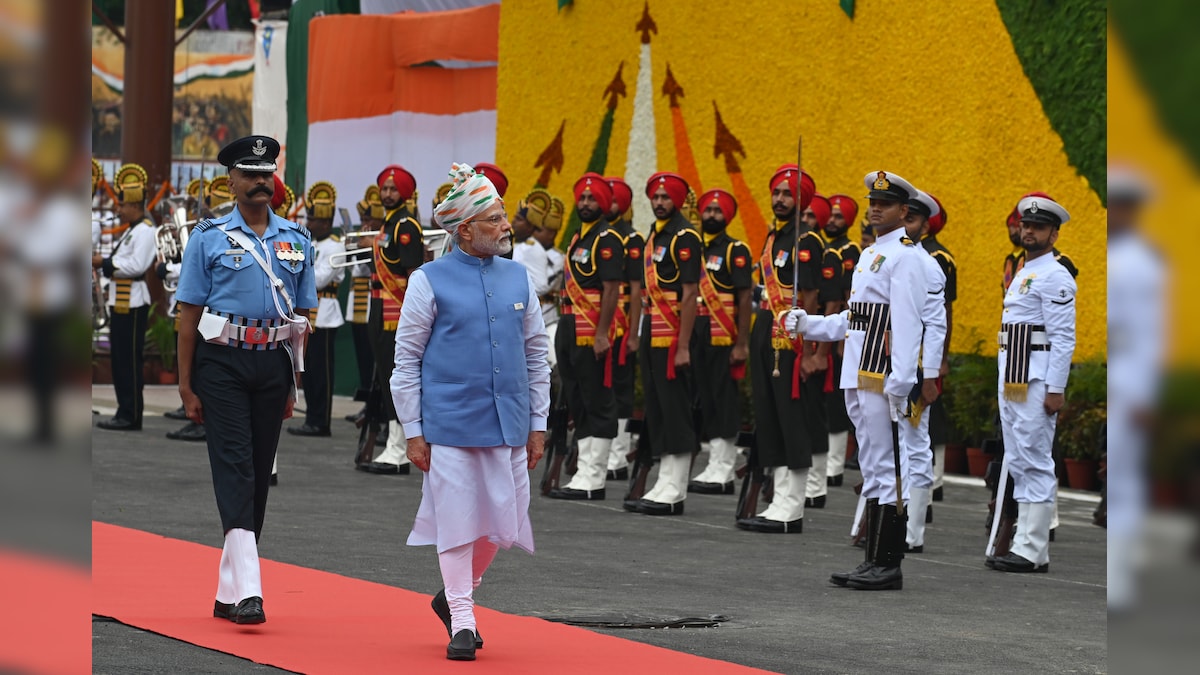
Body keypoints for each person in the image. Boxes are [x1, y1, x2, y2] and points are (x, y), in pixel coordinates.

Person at [391, 163, 550, 661]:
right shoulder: (427, 280)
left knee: (503, 525)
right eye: (494, 219)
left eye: (505, 215)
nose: (507, 226)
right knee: (459, 520)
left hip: (511, 423)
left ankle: (455, 594)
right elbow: (406, 361)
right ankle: (462, 617)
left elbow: (536, 358)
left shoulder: (520, 278)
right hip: (450, 425)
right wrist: (413, 431)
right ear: (464, 230)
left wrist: (540, 425)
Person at [175, 135, 317, 624]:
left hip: (272, 364)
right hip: (222, 363)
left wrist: (294, 384)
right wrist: (186, 383)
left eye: (266, 173)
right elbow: (188, 313)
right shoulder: (208, 237)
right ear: (230, 181)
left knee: (257, 474)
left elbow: (303, 315)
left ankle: (226, 590)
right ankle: (251, 592)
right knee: (235, 467)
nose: (260, 182)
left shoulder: (297, 240)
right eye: (250, 174)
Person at [783, 170, 925, 590]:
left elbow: (906, 323)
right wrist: (808, 324)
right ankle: (874, 560)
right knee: (871, 463)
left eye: (886, 203)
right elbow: (855, 319)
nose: (876, 208)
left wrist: (901, 382)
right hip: (858, 370)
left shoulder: (907, 257)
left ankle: (888, 563)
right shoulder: (870, 255)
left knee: (885, 465)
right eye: (872, 202)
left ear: (904, 210)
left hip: (882, 375)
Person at [986, 194, 1076, 573]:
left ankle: (1033, 549)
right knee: (1019, 458)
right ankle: (1023, 542)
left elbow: (1063, 337)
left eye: (1038, 227)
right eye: (1026, 225)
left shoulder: (1056, 275)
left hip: (1036, 377)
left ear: (1054, 234)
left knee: (1035, 459)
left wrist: (1056, 389)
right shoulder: (1025, 271)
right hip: (1015, 375)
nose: (1029, 231)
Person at [738, 165, 827, 533]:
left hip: (791, 343)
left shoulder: (807, 242)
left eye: (788, 194)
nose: (779, 199)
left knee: (792, 422)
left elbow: (813, 300)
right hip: (766, 335)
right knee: (770, 420)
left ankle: (792, 507)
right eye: (776, 193)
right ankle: (777, 500)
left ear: (801, 199)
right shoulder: (772, 240)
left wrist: (811, 353)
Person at [1106, 164, 1164, 608]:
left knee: (1126, 478)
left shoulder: (1139, 263)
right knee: (1119, 473)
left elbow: (1149, 331)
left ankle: (1124, 580)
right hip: (1117, 369)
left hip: (1131, 374)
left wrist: (1145, 393)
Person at [627, 172, 701, 516]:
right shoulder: (655, 236)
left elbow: (689, 296)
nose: (659, 203)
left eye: (665, 198)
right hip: (653, 331)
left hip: (674, 335)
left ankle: (675, 486)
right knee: (658, 408)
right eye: (655, 198)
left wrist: (683, 345)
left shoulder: (685, 237)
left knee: (675, 410)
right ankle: (664, 480)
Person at [547, 174, 625, 500]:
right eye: (582, 199)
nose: (586, 204)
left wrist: (603, 333)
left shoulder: (607, 239)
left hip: (591, 330)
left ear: (604, 205)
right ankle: (583, 472)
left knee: (597, 401)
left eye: (592, 200)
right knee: (578, 399)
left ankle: (594, 477)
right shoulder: (580, 237)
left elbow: (610, 290)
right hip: (568, 327)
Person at [686, 188, 752, 494]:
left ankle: (724, 467)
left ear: (727, 216)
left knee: (722, 399)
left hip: (722, 333)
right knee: (706, 399)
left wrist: (741, 343)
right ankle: (713, 463)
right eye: (707, 210)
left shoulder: (735, 250)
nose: (711, 215)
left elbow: (744, 297)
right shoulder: (693, 247)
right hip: (697, 331)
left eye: (717, 210)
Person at [363, 165, 424, 475]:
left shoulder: (406, 226)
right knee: (386, 379)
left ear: (405, 193)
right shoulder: (388, 224)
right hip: (378, 310)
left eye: (393, 189)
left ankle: (400, 449)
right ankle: (394, 445)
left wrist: (413, 319)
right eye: (384, 189)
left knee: (396, 381)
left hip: (395, 315)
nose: (387, 194)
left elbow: (414, 275)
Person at [898, 188, 947, 553]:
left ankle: (912, 531)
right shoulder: (883, 257)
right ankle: (884, 520)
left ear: (923, 225)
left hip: (913, 372)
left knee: (915, 447)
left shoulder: (929, 264)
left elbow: (936, 325)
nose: (905, 224)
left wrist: (930, 375)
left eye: (912, 219)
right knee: (887, 448)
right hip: (882, 368)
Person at [93, 163, 157, 431]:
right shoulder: (132, 230)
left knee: (130, 360)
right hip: (120, 300)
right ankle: (124, 410)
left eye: (121, 205)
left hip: (133, 303)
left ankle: (131, 415)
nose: (118, 210)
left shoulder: (145, 231)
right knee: (120, 359)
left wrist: (103, 262)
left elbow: (137, 266)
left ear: (134, 205)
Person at [289, 181, 345, 436]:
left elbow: (320, 279)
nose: (308, 223)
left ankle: (321, 420)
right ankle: (312, 417)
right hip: (311, 313)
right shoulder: (309, 243)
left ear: (325, 223)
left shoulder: (336, 245)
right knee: (309, 371)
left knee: (323, 372)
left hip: (327, 312)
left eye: (313, 219)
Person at [819, 194, 861, 487]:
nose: (832, 221)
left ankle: (834, 464)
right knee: (821, 400)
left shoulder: (850, 251)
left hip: (838, 332)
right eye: (830, 216)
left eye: (838, 217)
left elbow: (849, 296)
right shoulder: (822, 247)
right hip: (818, 327)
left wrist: (843, 338)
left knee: (836, 401)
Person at [604, 176, 642, 481]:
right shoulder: (597, 236)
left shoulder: (632, 239)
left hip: (622, 323)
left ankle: (618, 454)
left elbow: (637, 289)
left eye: (614, 200)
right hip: (599, 323)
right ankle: (603, 452)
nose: (608, 205)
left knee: (621, 387)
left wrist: (634, 333)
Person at [921, 194, 957, 504]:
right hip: (907, 349)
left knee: (931, 415)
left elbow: (945, 311)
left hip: (928, 351)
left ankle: (935, 480)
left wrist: (942, 357)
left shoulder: (940, 258)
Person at [344, 185, 385, 424]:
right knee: (364, 360)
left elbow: (373, 270)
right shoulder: (364, 238)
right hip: (359, 305)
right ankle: (368, 407)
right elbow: (355, 269)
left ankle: (375, 411)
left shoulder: (382, 239)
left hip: (376, 306)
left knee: (374, 363)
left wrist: (369, 246)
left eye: (368, 218)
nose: (364, 223)